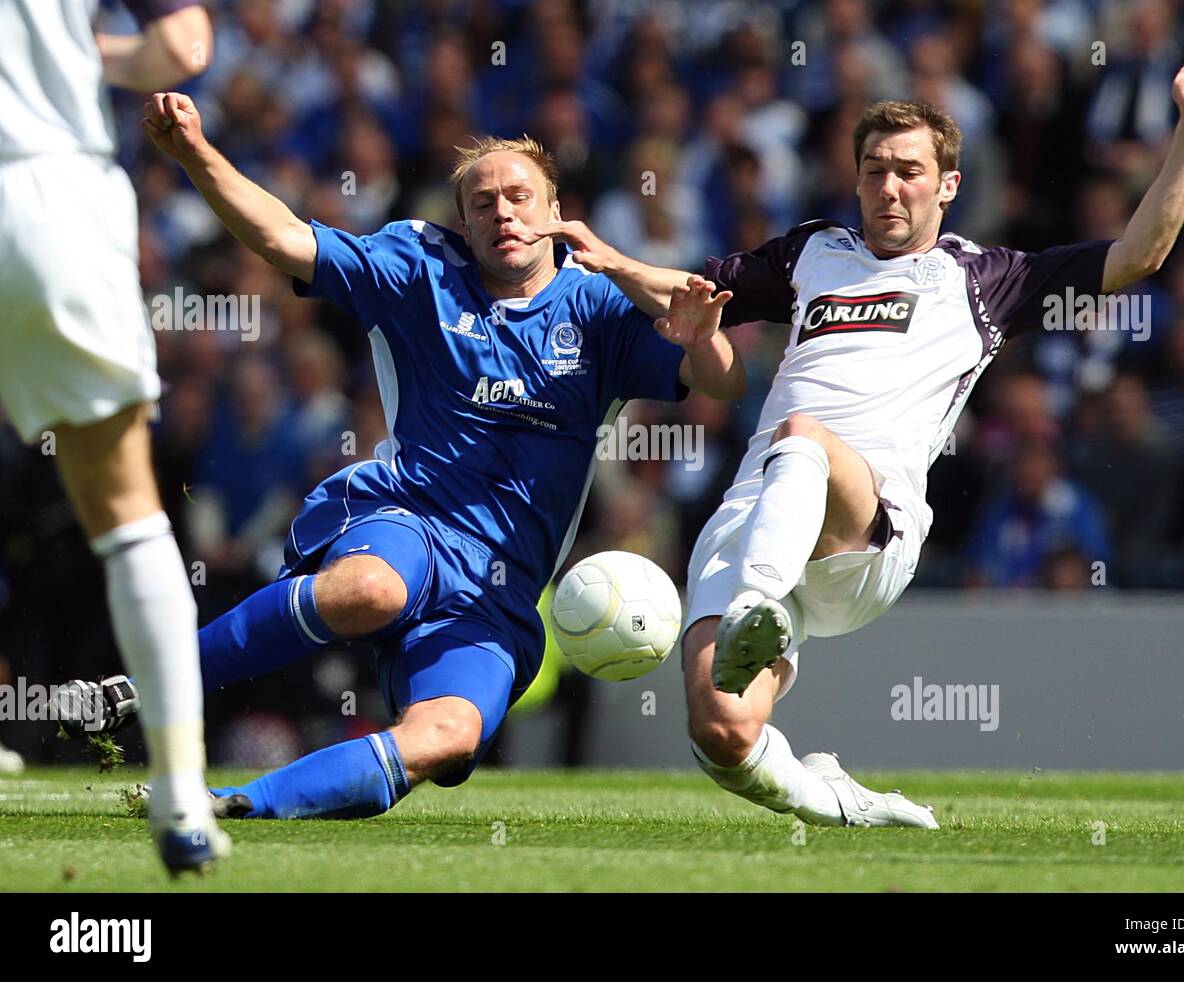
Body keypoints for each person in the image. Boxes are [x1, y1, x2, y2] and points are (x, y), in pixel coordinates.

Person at [527, 52, 1184, 829]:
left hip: (869, 526)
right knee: (723, 733)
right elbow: (699, 291)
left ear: (949, 185)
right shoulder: (811, 253)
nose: (889, 187)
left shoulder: (987, 280)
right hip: (756, 510)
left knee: (801, 435)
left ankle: (758, 601)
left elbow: (1139, 254)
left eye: (909, 171)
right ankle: (841, 800)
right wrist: (610, 261)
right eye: (873, 170)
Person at [60, 92, 742, 820]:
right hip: (407, 514)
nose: (502, 213)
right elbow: (285, 240)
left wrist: (673, 310)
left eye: (519, 197)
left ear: (554, 212)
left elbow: (723, 379)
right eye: (482, 203)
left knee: (445, 736)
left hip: (497, 592)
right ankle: (145, 689)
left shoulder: (600, 310)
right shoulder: (420, 269)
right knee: (372, 590)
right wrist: (196, 153)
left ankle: (234, 807)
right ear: (463, 223)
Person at [0, 0, 223, 872]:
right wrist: (89, 53)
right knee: (128, 509)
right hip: (57, 193)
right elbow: (182, 46)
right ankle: (179, 794)